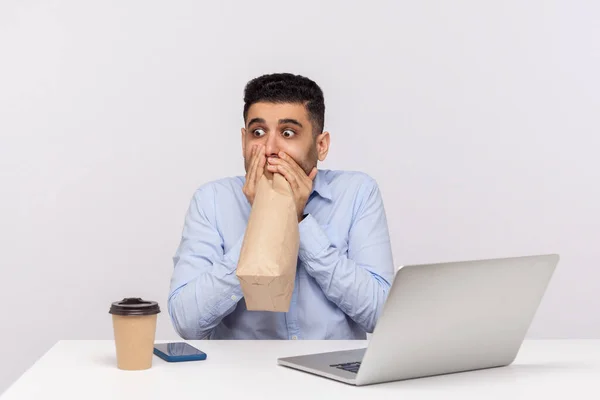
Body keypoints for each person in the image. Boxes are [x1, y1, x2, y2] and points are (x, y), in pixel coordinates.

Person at [168, 73, 395, 340]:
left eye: (288, 133)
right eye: (258, 133)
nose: (270, 148)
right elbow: (187, 323)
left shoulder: (357, 193)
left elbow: (381, 315)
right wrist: (264, 221)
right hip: (242, 375)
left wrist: (299, 221)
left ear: (321, 146)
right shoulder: (212, 201)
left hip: (331, 376)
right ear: (244, 142)